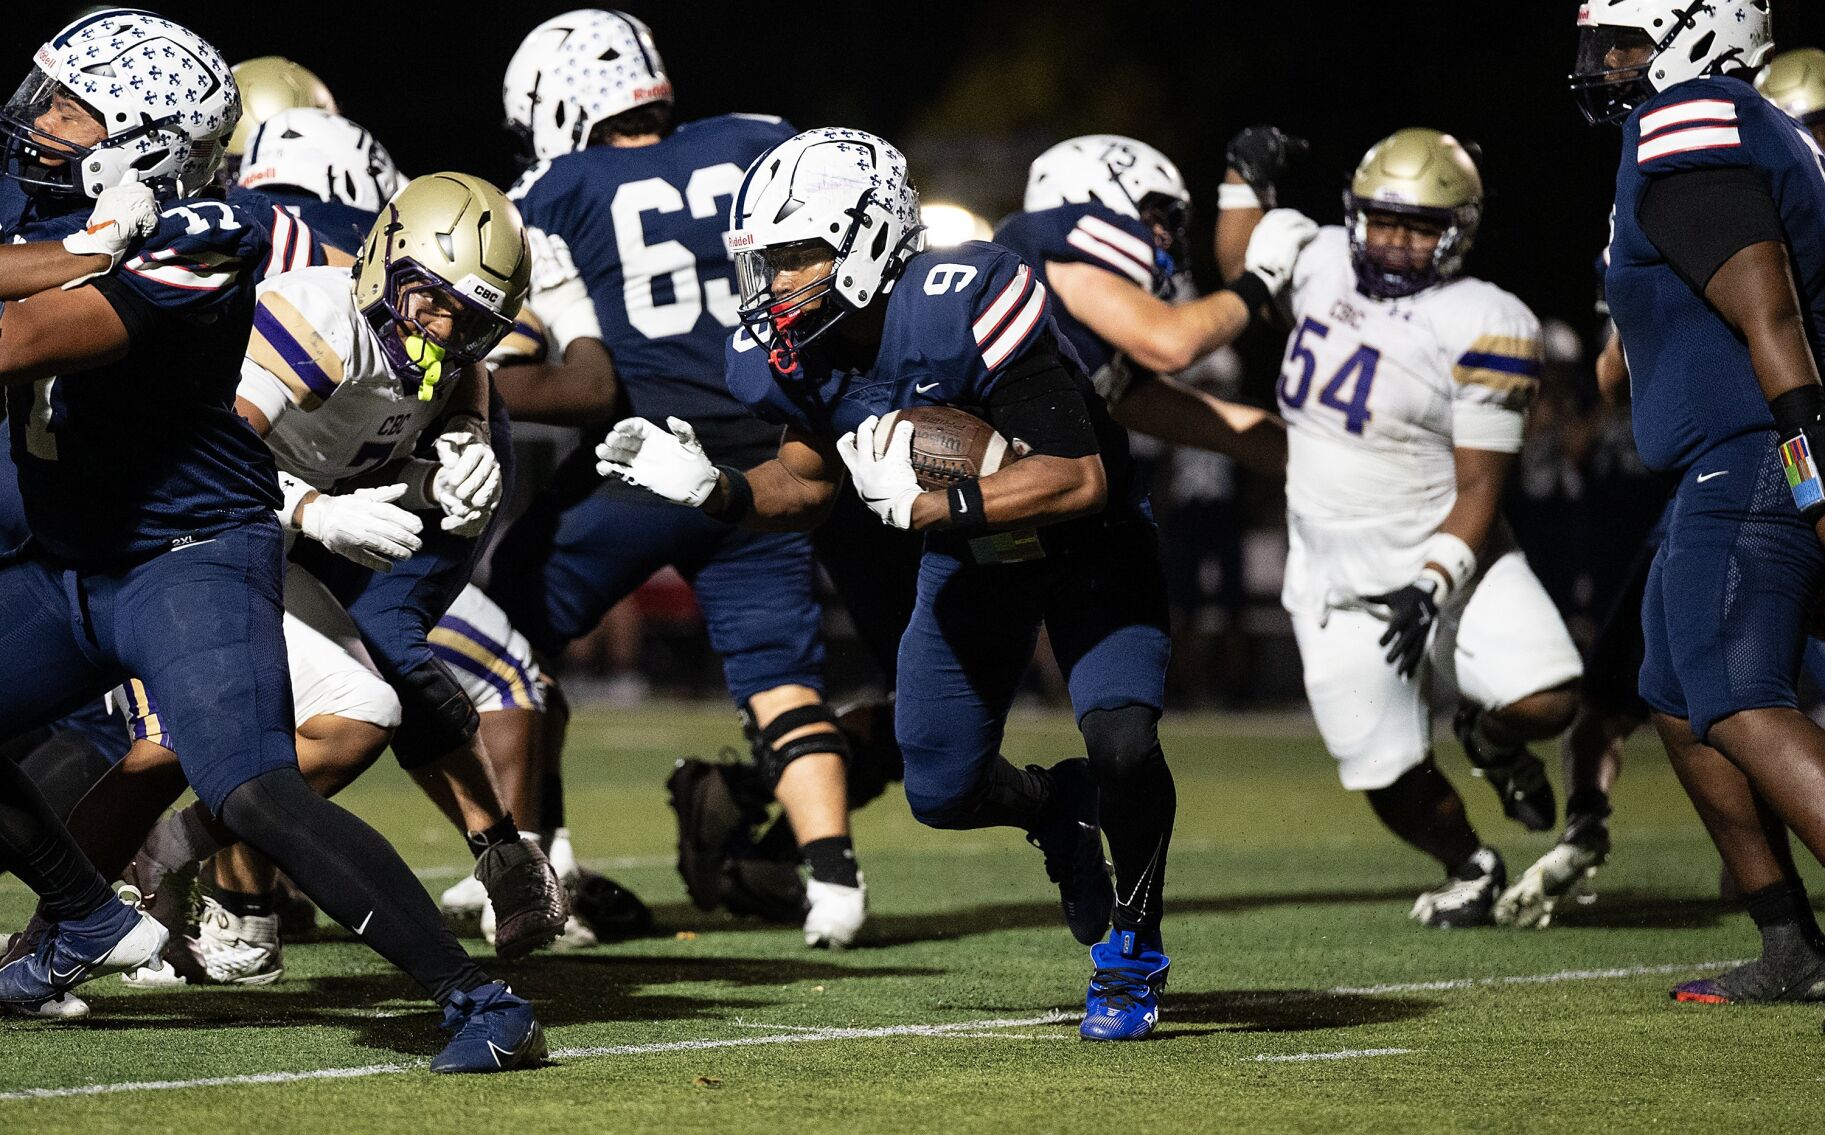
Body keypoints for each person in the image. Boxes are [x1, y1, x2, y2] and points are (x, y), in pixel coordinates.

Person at [599, 126, 1269, 1040]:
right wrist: (713, 488)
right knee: (941, 792)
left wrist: (932, 507)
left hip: (1090, 544)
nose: (775, 284)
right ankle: (1054, 809)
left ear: (868, 236)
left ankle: (1132, 949)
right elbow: (803, 484)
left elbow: (1077, 476)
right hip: (979, 562)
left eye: (796, 257)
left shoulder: (963, 299)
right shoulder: (796, 353)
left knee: (1121, 743)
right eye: (767, 262)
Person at [0, 9, 543, 1069]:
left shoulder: (212, 234)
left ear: (146, 145)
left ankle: (481, 999)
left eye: (73, 111)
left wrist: (465, 434)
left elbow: (17, 337)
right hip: (70, 560)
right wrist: (86, 242)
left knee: (253, 788)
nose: (43, 123)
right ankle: (88, 915)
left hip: (188, 558)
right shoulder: (68, 218)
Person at [483, 10, 866, 947]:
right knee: (780, 673)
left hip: (645, 453)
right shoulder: (756, 141)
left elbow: (505, 308)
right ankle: (835, 881)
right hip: (772, 456)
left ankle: (540, 858)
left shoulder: (555, 187)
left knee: (504, 634)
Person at [1217, 129, 1583, 928]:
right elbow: (1239, 262)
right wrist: (1241, 179)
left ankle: (1489, 741)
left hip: (1446, 548)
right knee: (1382, 769)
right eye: (1381, 220)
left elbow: (1480, 485)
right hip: (1333, 575)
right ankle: (1468, 864)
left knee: (1548, 701)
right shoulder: (1317, 258)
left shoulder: (1484, 319)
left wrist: (1433, 581)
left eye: (1417, 227)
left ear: (1458, 231)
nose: (1393, 241)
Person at [1569, 0, 1825, 1005]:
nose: (1605, 65)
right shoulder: (1743, 128)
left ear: (1697, 31)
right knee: (1676, 695)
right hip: (1726, 454)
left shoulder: (1689, 118)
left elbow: (1771, 317)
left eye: (1623, 43)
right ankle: (1790, 947)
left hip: (1756, 445)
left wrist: (1811, 469)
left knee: (1741, 698)